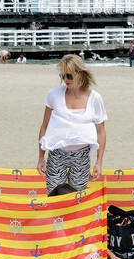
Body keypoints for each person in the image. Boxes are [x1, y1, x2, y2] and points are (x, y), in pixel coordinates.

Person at [36, 54, 107, 194]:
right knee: (54, 195)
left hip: (81, 156)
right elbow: (44, 126)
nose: (65, 80)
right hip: (56, 154)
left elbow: (101, 131)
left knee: (77, 198)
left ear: (80, 74)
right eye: (62, 76)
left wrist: (99, 162)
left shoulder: (95, 98)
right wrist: (41, 157)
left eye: (69, 76)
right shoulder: (53, 95)